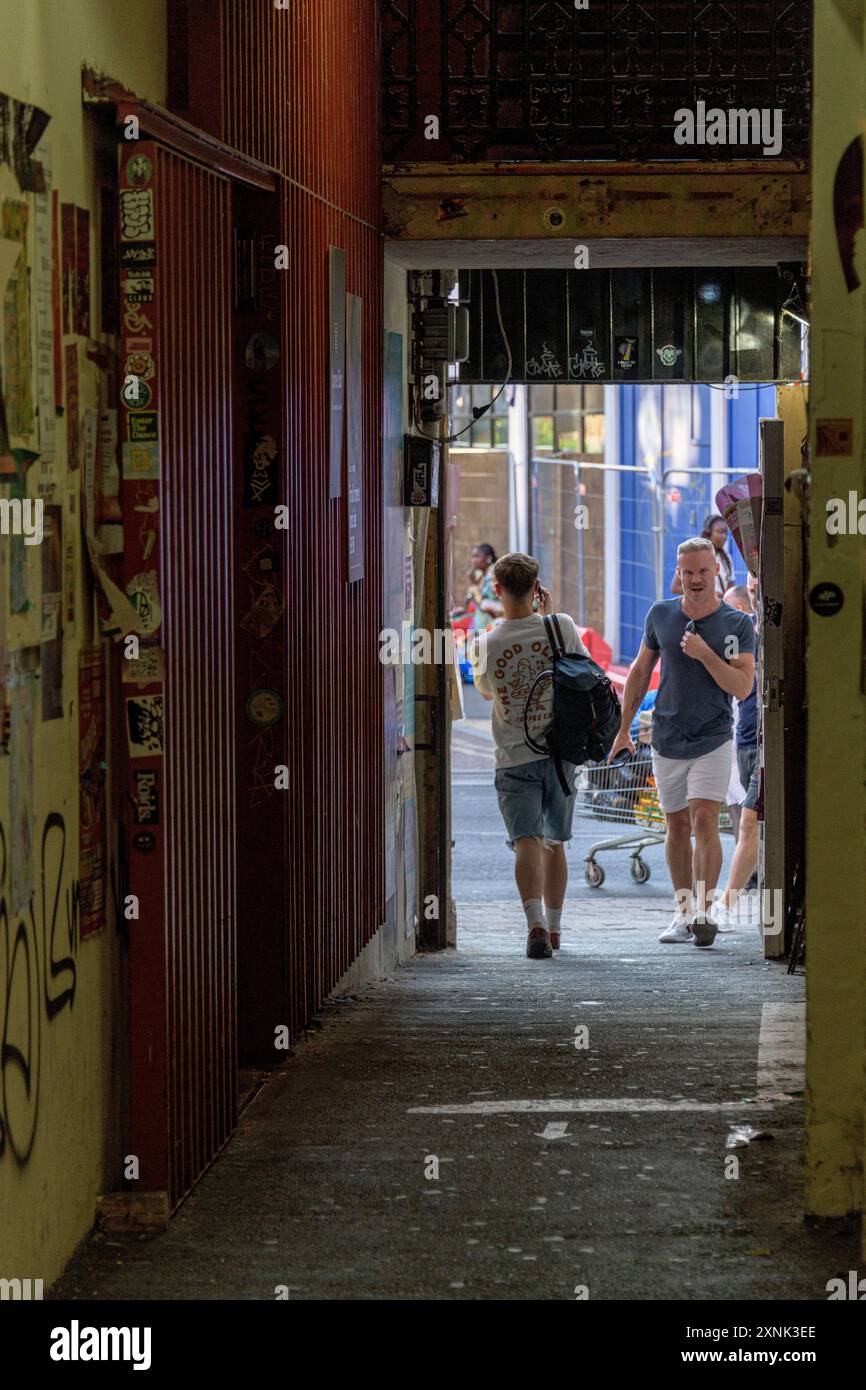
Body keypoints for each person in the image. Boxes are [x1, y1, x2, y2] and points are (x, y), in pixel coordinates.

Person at [609, 537, 756, 948]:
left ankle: (705, 912)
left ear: (716, 573)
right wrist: (623, 729)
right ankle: (683, 912)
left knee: (705, 820)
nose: (694, 579)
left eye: (702, 572)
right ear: (679, 574)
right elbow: (639, 672)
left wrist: (707, 655)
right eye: (687, 572)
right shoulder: (661, 615)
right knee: (676, 825)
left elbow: (743, 688)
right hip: (666, 737)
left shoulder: (737, 624)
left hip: (713, 736)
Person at [471, 552, 589, 961]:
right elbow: (583, 671)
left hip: (514, 756)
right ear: (537, 589)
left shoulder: (485, 643)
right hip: (560, 755)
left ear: (498, 590)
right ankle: (556, 930)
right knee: (555, 841)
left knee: (527, 841)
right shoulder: (562, 626)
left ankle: (534, 924)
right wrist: (550, 617)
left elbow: (486, 691)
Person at [717, 575, 760, 917]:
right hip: (745, 738)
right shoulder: (739, 635)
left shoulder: (763, 633)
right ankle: (734, 896)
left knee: (749, 820)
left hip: (765, 742)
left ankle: (725, 905)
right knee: (747, 817)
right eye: (753, 579)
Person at [671, 514, 733, 597]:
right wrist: (706, 594)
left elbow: (730, 588)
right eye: (720, 532)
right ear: (708, 533)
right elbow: (675, 587)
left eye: (726, 533)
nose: (724, 536)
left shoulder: (726, 559)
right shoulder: (693, 555)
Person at [466, 543, 504, 628]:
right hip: (482, 616)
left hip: (493, 618)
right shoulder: (480, 573)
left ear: (488, 558)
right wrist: (471, 576)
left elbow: (485, 599)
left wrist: (474, 590)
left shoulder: (493, 573)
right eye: (473, 556)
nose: (473, 560)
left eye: (477, 556)